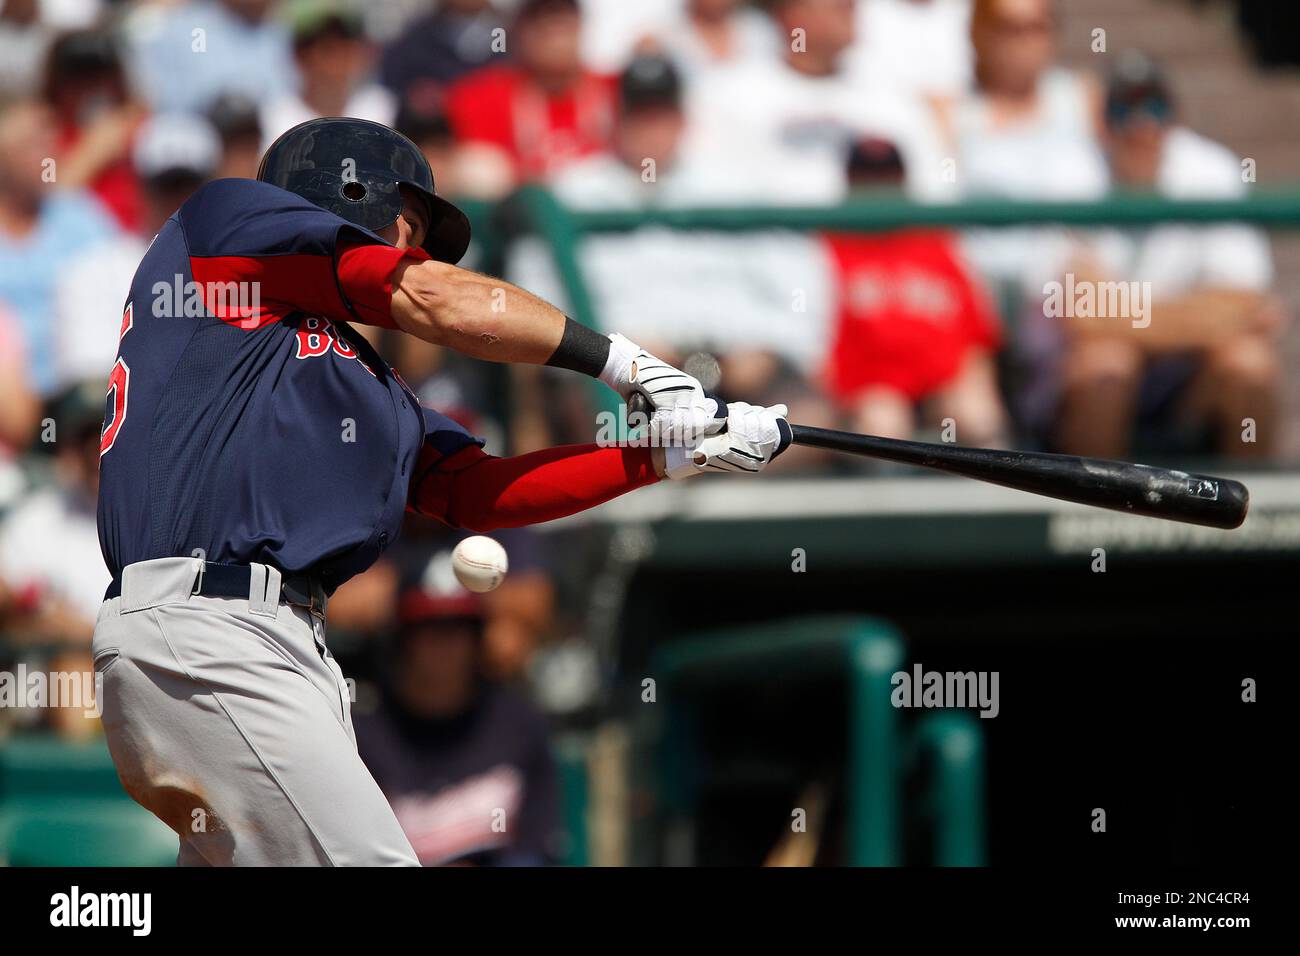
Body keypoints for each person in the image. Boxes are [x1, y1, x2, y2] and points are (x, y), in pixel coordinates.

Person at [91, 116, 791, 866]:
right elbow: (432, 297)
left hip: (264, 648)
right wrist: (624, 362)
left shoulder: (364, 385)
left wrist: (662, 459)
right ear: (344, 189)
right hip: (210, 630)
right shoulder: (227, 222)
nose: (412, 242)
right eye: (408, 218)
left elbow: (475, 492)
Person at [1051, 53, 1283, 460]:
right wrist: (1206, 317)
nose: (1143, 127)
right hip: (1091, 384)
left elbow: (1247, 304)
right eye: (1125, 110)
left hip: (1191, 380)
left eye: (1155, 108)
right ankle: (1095, 519)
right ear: (1103, 123)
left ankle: (1247, 515)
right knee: (1107, 366)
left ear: (1175, 118)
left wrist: (1124, 319)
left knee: (1249, 365)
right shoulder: (1070, 172)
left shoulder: (1212, 168)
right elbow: (1082, 315)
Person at [355, 584, 562, 865]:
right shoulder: (364, 738)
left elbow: (536, 846)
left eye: (457, 629)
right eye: (430, 630)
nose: (445, 646)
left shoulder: (518, 724)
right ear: (403, 640)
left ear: (477, 639)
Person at [822, 138, 1007, 446]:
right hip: (868, 386)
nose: (878, 187)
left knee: (976, 414)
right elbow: (816, 350)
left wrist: (978, 386)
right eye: (867, 177)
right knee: (883, 423)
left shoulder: (932, 239)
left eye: (886, 176)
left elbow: (977, 336)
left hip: (940, 382)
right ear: (849, 181)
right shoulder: (829, 242)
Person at [680, 0, 949, 205]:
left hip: (879, 260)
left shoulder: (894, 97)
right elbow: (717, 192)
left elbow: (937, 187)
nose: (849, 5)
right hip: (774, 260)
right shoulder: (727, 96)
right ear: (791, 15)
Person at [53, 111, 221, 391]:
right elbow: (91, 385)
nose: (180, 201)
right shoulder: (94, 271)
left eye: (192, 187)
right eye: (167, 187)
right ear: (140, 188)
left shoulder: (244, 270)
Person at [0, 98, 119, 397]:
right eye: (30, 145)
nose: (45, 156)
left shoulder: (79, 217)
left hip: (81, 398)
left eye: (47, 141)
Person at [444, 0, 617, 196]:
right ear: (521, 32)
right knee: (477, 169)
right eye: (543, 24)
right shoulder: (483, 95)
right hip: (522, 211)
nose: (555, 36)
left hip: (605, 203)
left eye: (563, 23)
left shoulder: (613, 88)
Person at [259, 0, 396, 149]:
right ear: (299, 56)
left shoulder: (382, 109)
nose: (340, 60)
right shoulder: (272, 118)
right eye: (328, 49)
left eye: (347, 46)